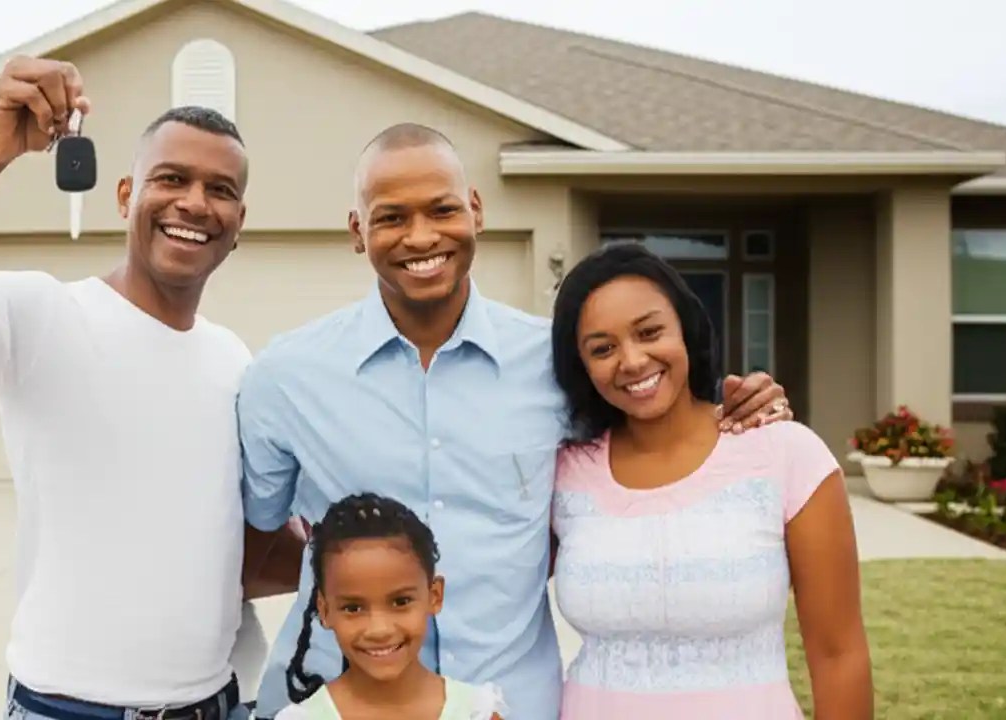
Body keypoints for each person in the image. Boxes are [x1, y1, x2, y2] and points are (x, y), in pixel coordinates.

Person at [237, 122, 793, 720]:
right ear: (357, 230)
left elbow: (659, 429)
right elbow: (254, 538)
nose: (420, 236)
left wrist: (747, 407)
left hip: (510, 705)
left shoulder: (559, 365)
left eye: (442, 209)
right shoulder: (286, 376)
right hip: (331, 703)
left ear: (475, 211)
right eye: (392, 217)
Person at [0, 56, 301, 719]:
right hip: (65, 709)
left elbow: (237, 551)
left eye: (219, 189)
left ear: (238, 221)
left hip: (216, 704)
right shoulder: (42, 314)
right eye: (172, 178)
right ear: (126, 195)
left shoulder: (234, 361)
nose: (194, 202)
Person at [548, 242, 873, 719]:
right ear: (580, 365)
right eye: (603, 348)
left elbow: (839, 655)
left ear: (685, 329)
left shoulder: (786, 455)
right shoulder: (562, 472)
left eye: (650, 331)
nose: (633, 360)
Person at [274, 493, 507, 720]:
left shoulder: (476, 713)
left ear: (434, 596)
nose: (379, 629)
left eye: (400, 602)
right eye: (353, 608)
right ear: (324, 610)